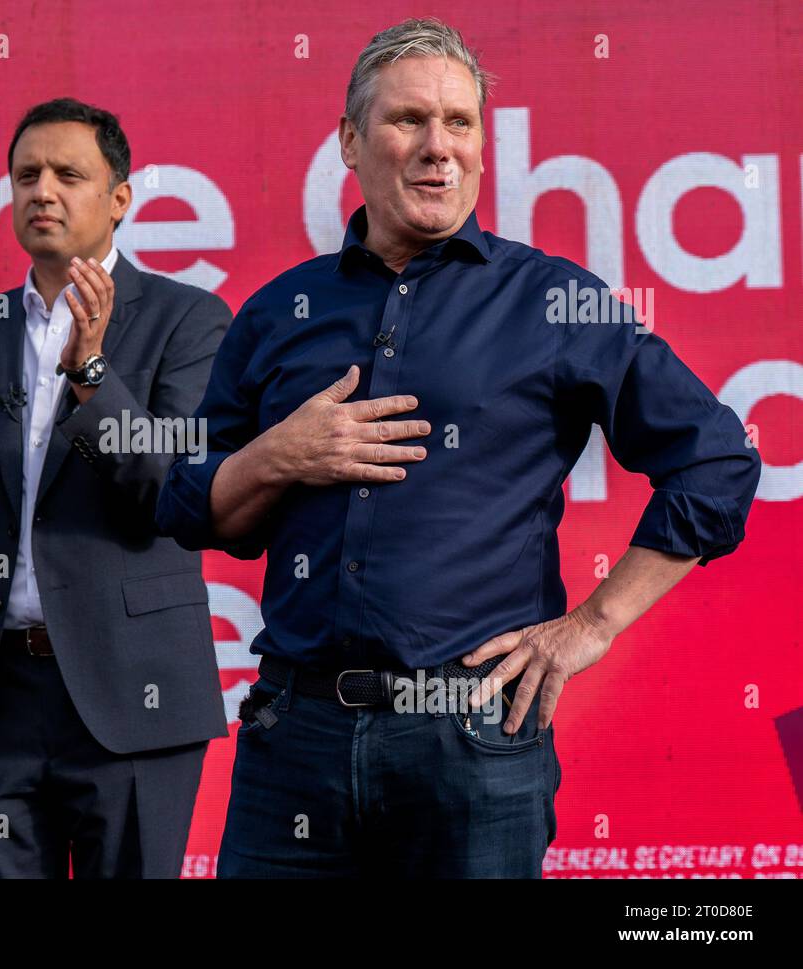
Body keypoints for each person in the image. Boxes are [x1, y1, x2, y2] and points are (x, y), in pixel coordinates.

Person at [155, 18, 762, 877]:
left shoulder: (552, 301)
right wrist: (277, 456)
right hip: (293, 740)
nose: (438, 147)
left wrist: (591, 626)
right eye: (409, 119)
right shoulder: (279, 311)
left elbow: (717, 462)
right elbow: (190, 504)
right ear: (349, 141)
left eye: (460, 123)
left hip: (473, 745)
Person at [0, 98, 232, 877]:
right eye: (27, 175)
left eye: (69, 174)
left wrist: (92, 374)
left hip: (133, 693)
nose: (43, 191)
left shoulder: (188, 320)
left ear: (120, 197)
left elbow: (173, 491)